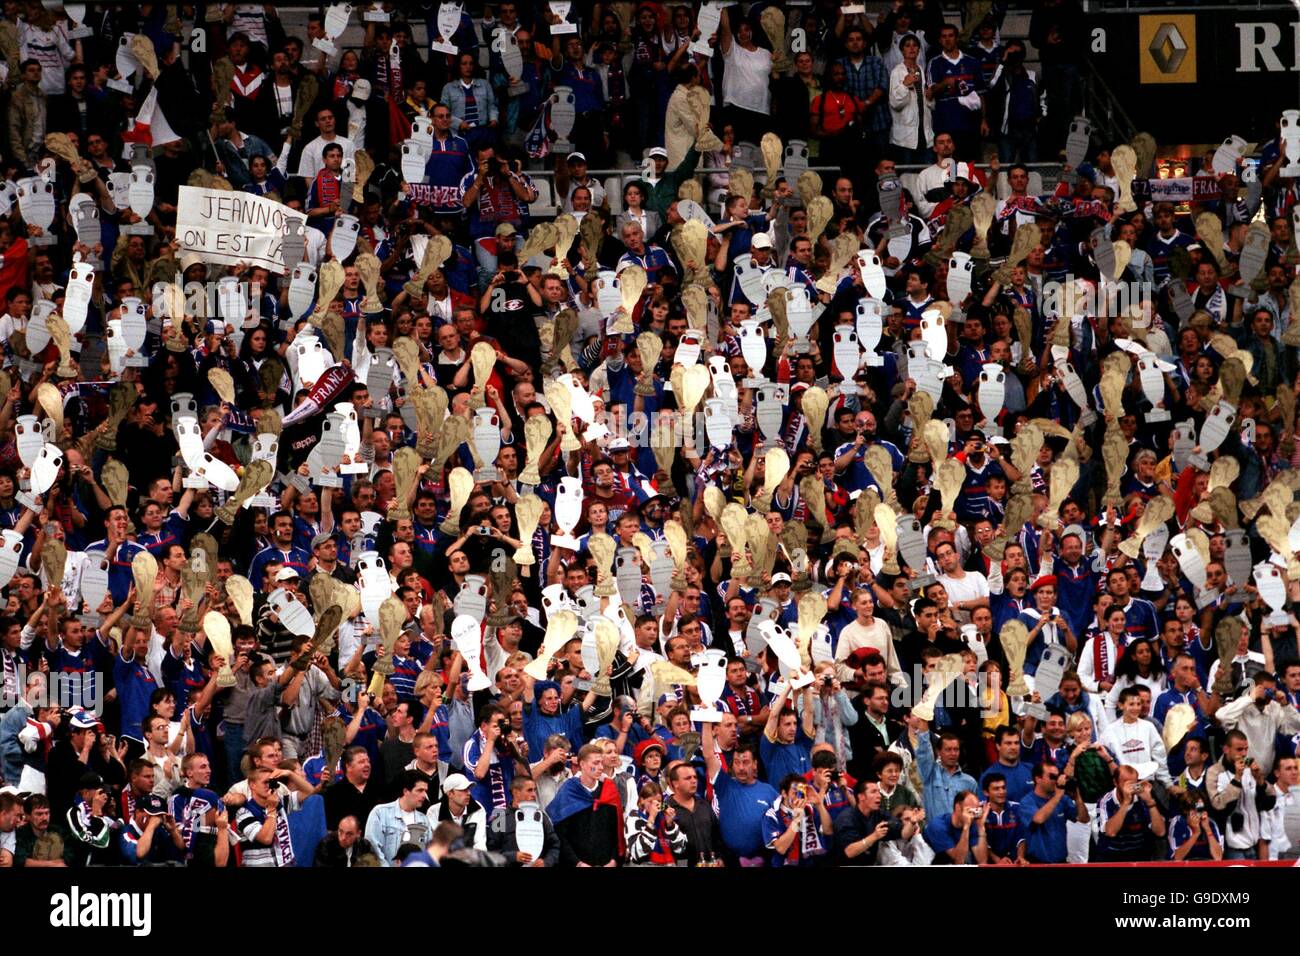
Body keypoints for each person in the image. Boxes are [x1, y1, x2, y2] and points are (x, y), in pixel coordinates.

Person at [364, 770, 435, 866]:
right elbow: (373, 848)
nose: (424, 795)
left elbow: (429, 852)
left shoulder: (424, 820)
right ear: (406, 791)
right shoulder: (380, 813)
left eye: (425, 791)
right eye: (419, 790)